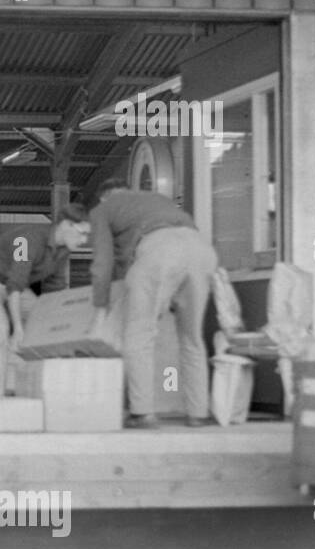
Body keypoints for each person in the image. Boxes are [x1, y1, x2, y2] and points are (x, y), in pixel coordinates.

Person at [85, 176, 219, 428]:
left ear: (105, 197)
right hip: (201, 250)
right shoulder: (157, 200)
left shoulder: (102, 210)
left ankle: (142, 413)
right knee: (192, 338)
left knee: (139, 335)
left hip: (159, 251)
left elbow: (102, 263)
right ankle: (198, 413)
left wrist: (100, 309)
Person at [0, 204, 91, 396]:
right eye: (82, 233)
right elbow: (15, 284)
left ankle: (42, 389)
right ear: (66, 224)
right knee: (0, 332)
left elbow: (55, 288)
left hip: (15, 287)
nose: (84, 240)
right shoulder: (24, 240)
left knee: (40, 325)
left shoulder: (63, 250)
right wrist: (18, 329)